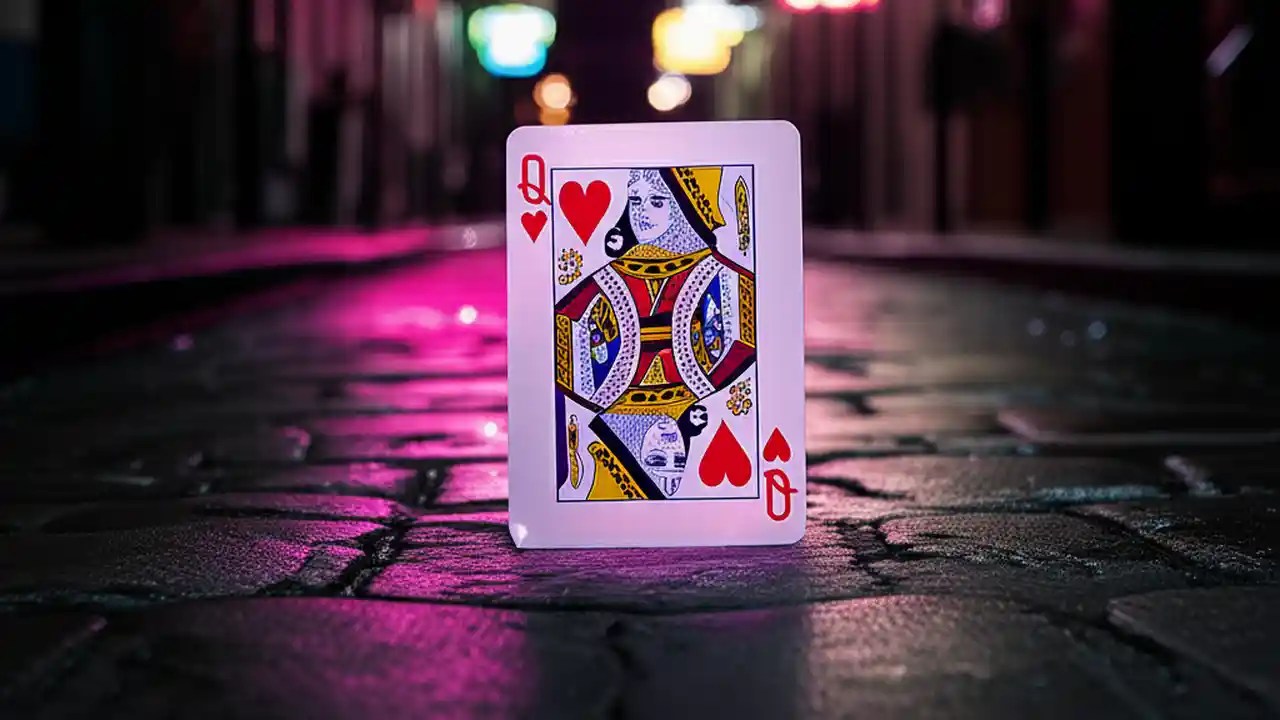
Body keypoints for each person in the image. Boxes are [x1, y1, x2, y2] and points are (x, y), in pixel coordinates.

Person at [554, 166, 755, 500]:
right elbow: (567, 335)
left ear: (684, 210)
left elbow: (742, 342)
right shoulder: (610, 276)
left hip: (676, 407)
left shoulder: (720, 277)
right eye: (635, 200)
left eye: (658, 201)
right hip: (615, 422)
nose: (642, 212)